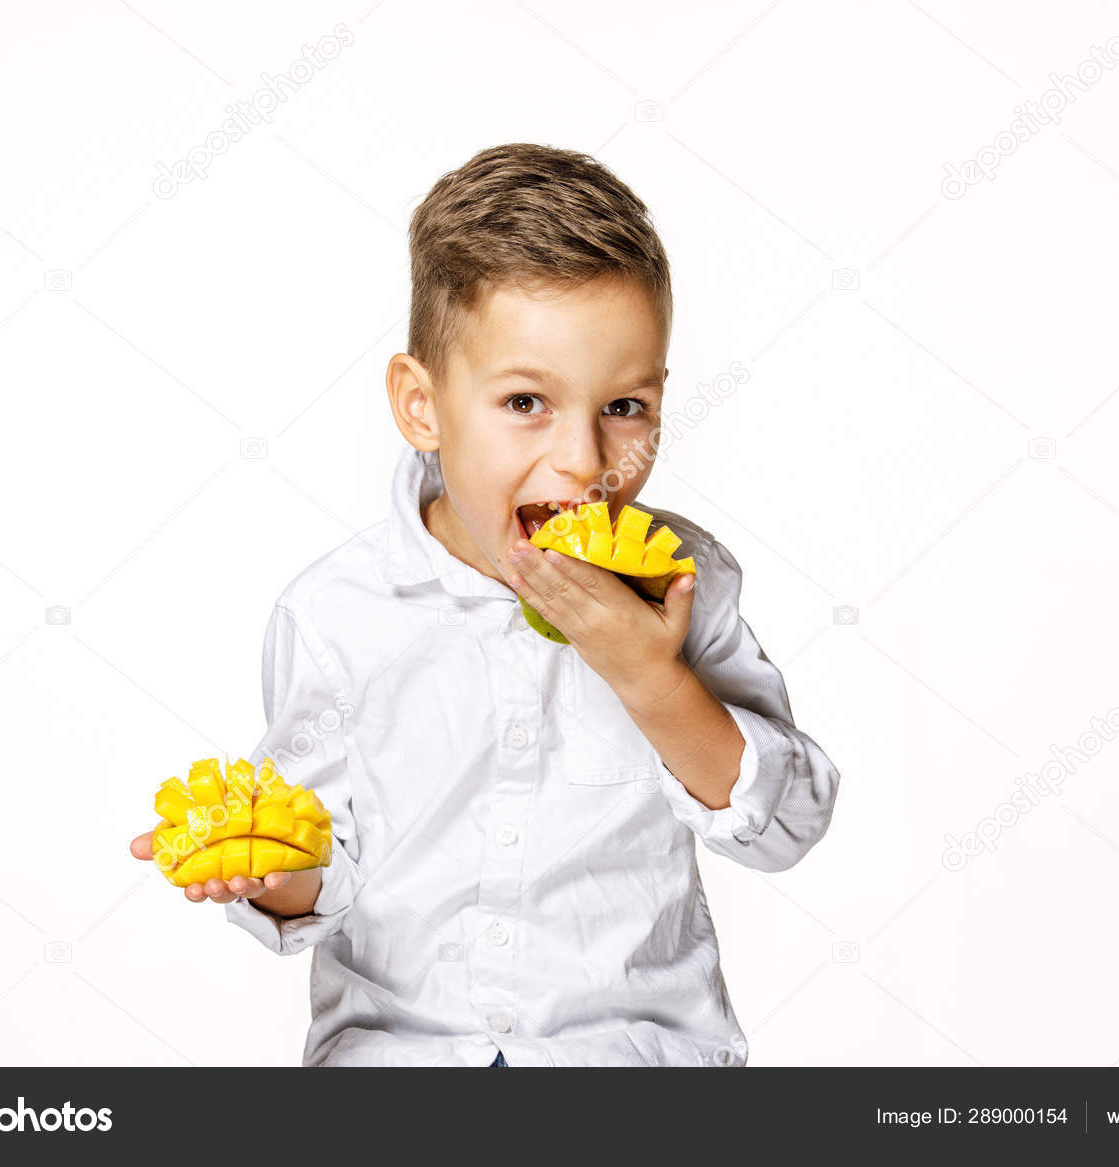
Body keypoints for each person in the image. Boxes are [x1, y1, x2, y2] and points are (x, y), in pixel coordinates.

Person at [129, 143, 839, 1066]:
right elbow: (323, 872)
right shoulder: (337, 615)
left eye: (624, 405)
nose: (585, 459)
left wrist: (650, 677)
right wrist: (269, 864)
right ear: (422, 406)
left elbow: (787, 825)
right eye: (525, 402)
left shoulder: (684, 581)